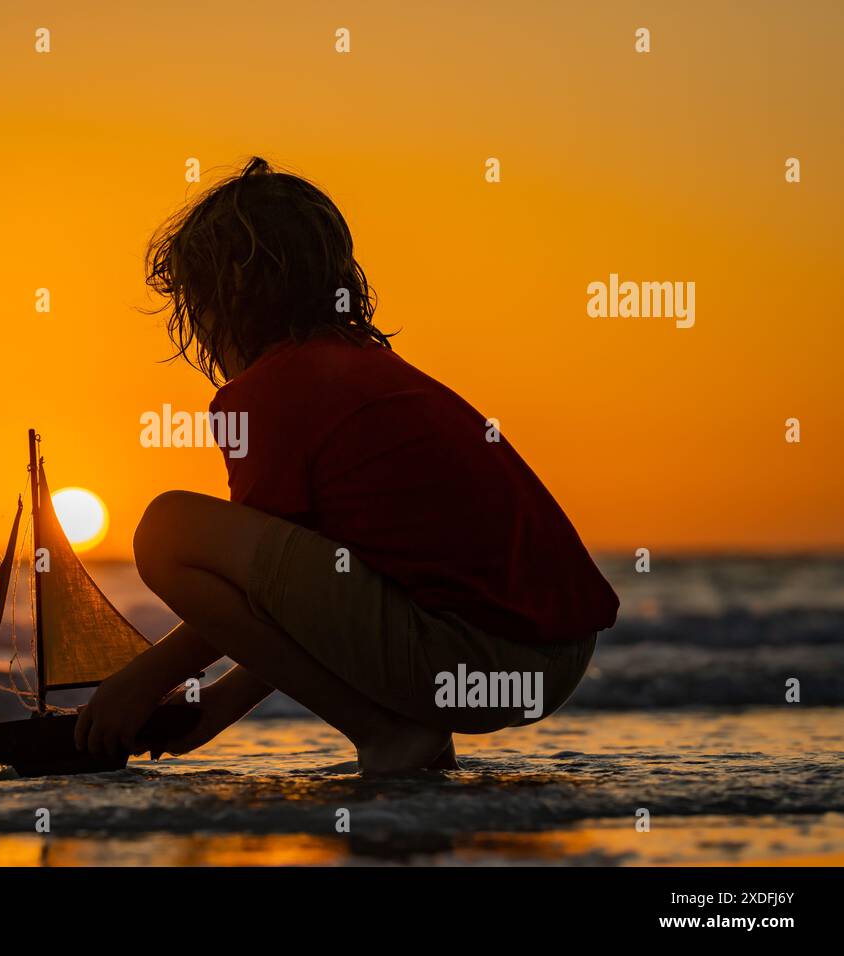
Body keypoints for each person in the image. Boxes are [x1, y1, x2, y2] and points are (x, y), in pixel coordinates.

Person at [75, 157, 618, 773]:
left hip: (477, 656)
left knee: (169, 528)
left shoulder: (272, 389)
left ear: (229, 292)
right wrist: (218, 704)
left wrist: (139, 682)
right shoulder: (360, 368)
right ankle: (406, 735)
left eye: (194, 303)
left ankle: (389, 734)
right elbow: (308, 592)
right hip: (552, 659)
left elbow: (265, 595)